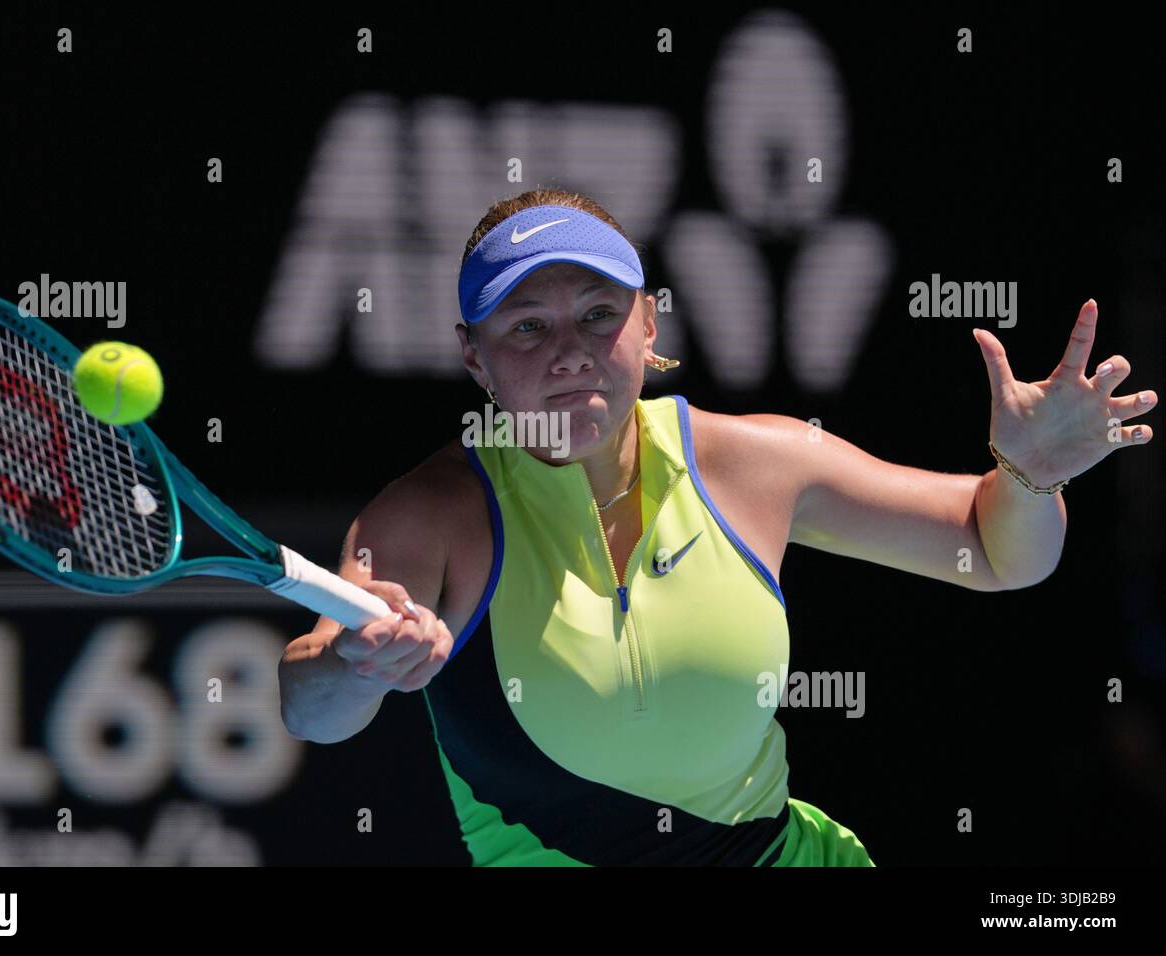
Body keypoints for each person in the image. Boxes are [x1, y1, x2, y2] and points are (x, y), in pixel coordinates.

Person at [278, 188, 1156, 866]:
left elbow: (1000, 552)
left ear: (649, 321)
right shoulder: (430, 514)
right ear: (473, 354)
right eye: (527, 326)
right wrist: (355, 663)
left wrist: (1029, 478)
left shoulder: (757, 463)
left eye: (597, 313)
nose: (570, 350)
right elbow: (310, 707)